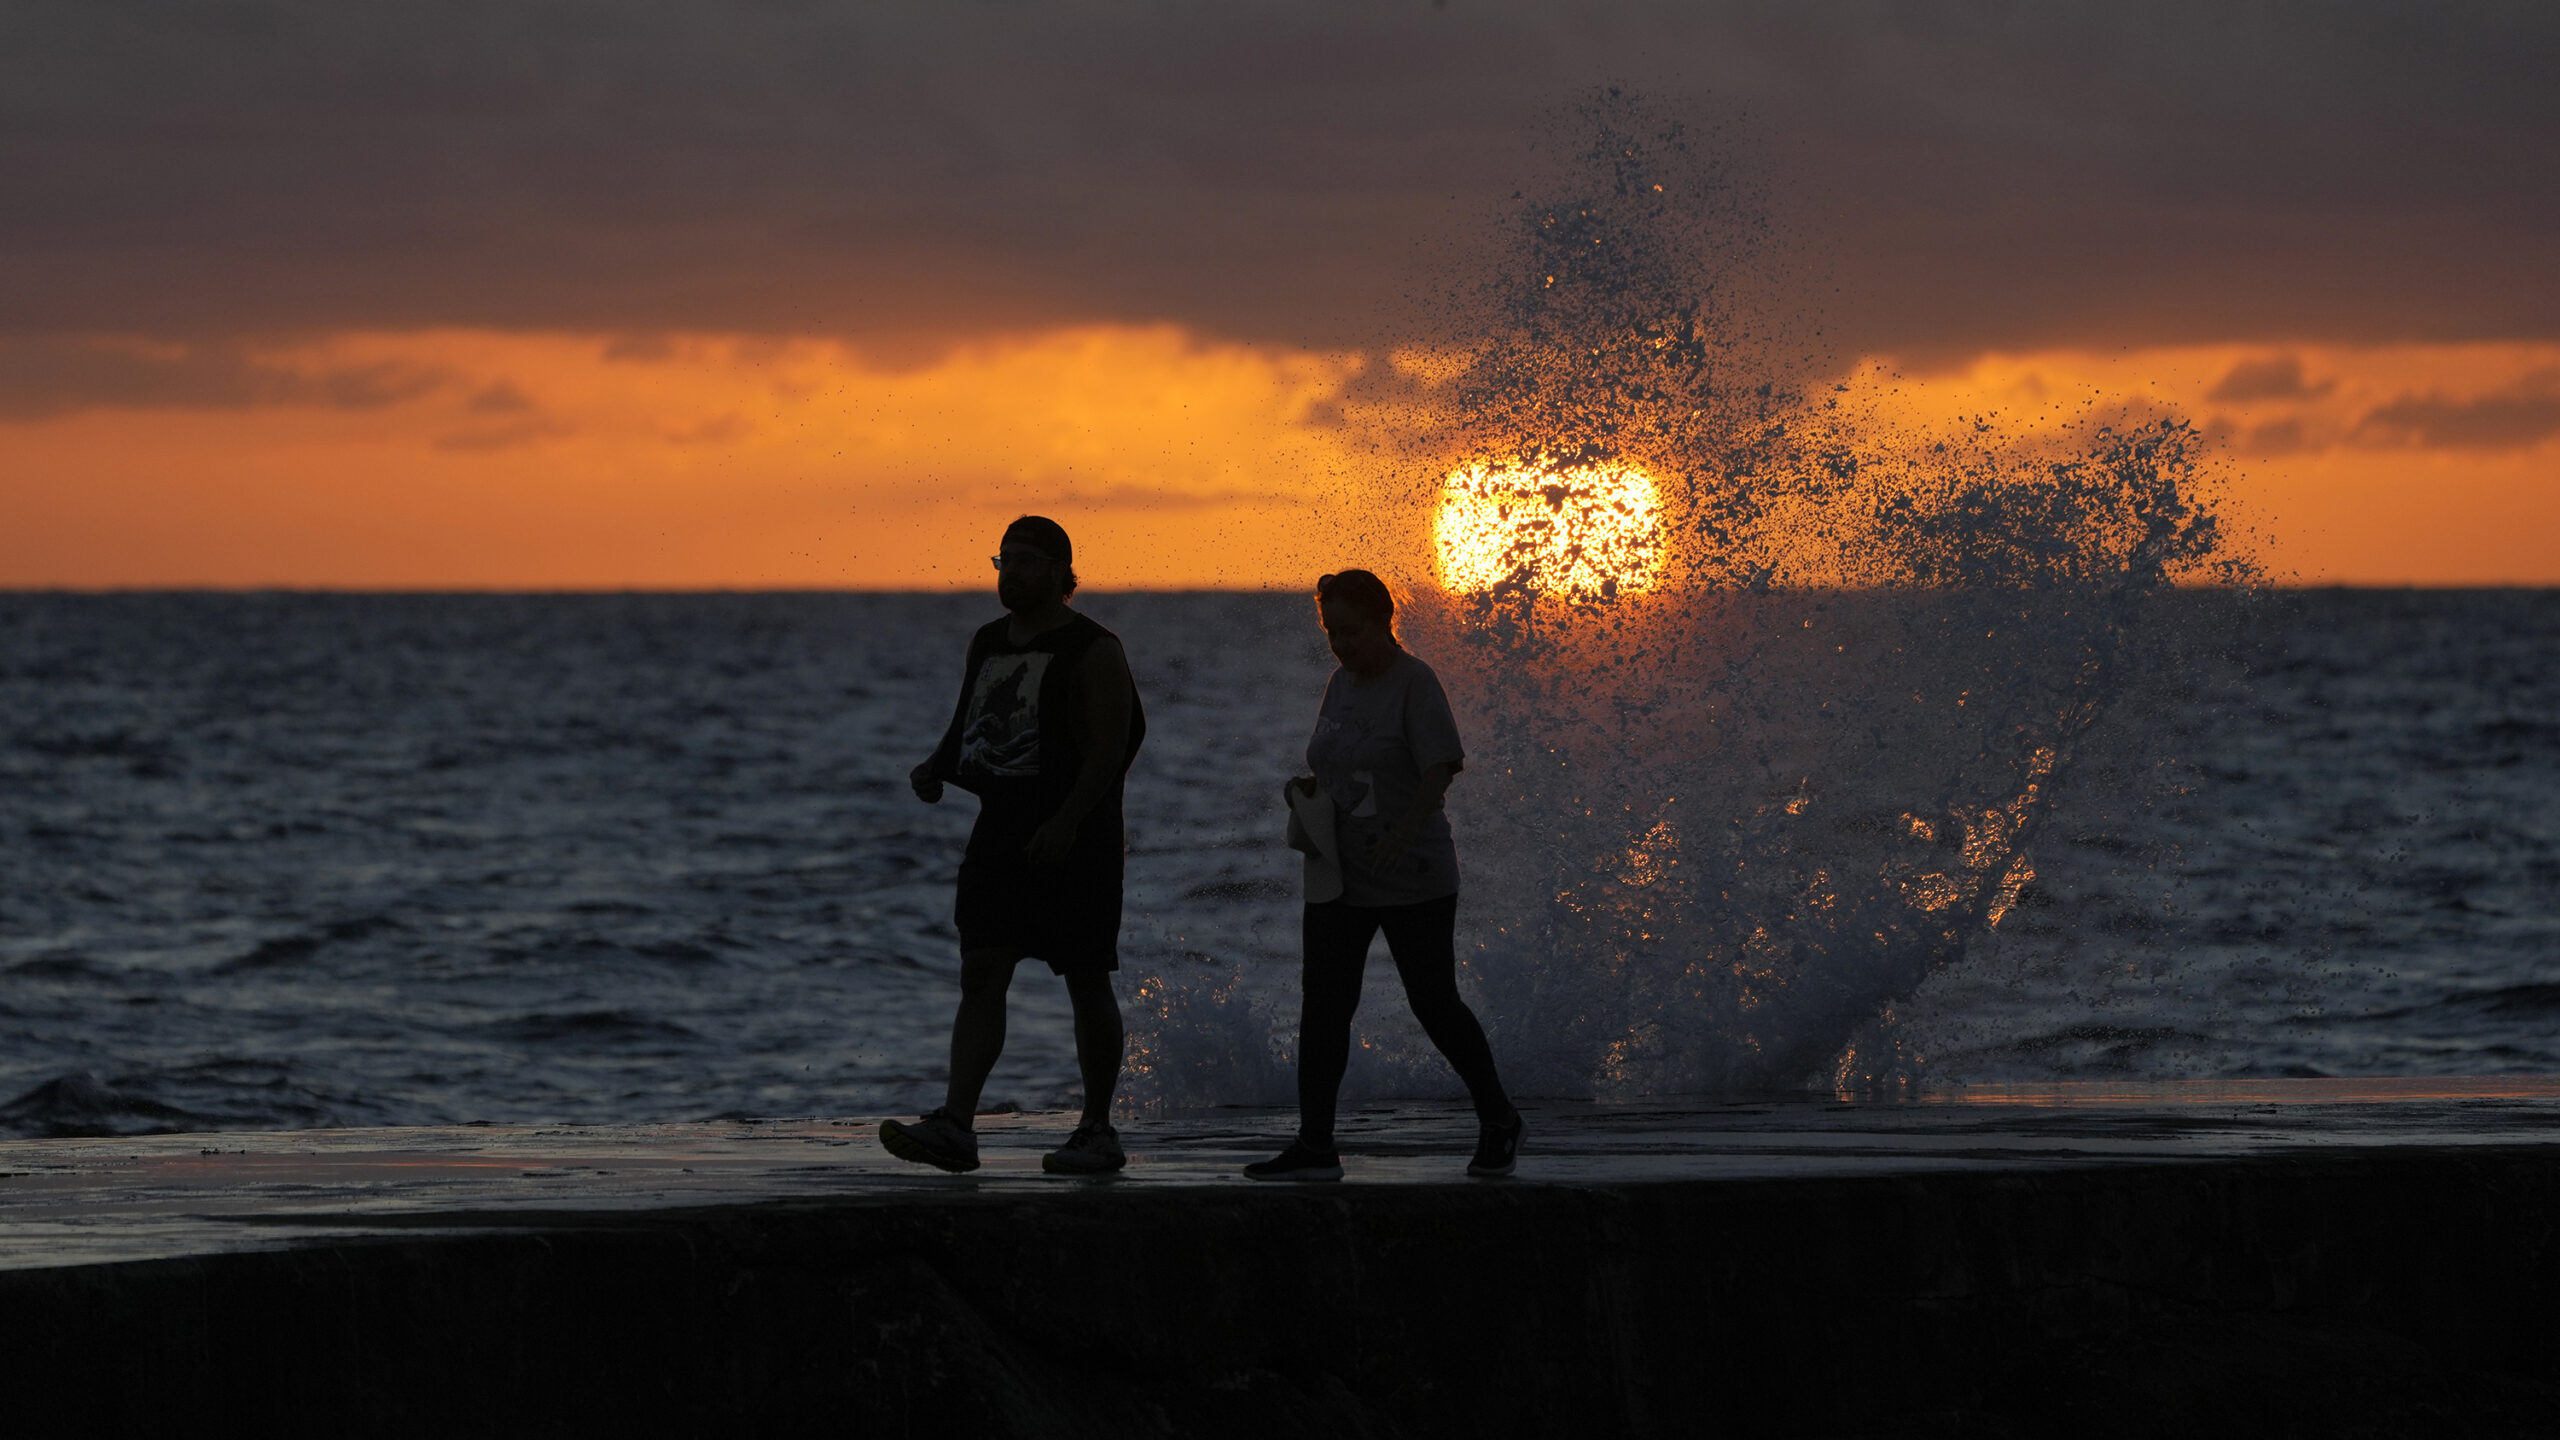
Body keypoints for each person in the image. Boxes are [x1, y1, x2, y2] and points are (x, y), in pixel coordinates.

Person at [882, 516, 1144, 1176]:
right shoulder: (989, 641)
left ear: (1061, 570)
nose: (1011, 572)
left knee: (1086, 981)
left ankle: (1097, 1129)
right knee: (982, 971)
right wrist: (937, 765)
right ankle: (956, 1126)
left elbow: (1112, 748)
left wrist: (1066, 821)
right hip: (999, 834)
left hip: (1076, 840)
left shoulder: (1093, 648)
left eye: (1028, 561)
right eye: (1005, 559)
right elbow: (970, 716)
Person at [1245, 569, 1523, 1182]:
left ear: (1383, 621)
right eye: (1331, 632)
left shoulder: (1414, 682)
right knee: (1324, 1008)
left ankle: (1499, 1117)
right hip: (1340, 875)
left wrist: (1403, 832)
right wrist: (1310, 793)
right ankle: (1315, 1144)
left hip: (1413, 871)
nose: (1341, 645)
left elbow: (1442, 767)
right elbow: (1334, 757)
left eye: (1352, 631)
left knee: (1433, 1003)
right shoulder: (1339, 685)